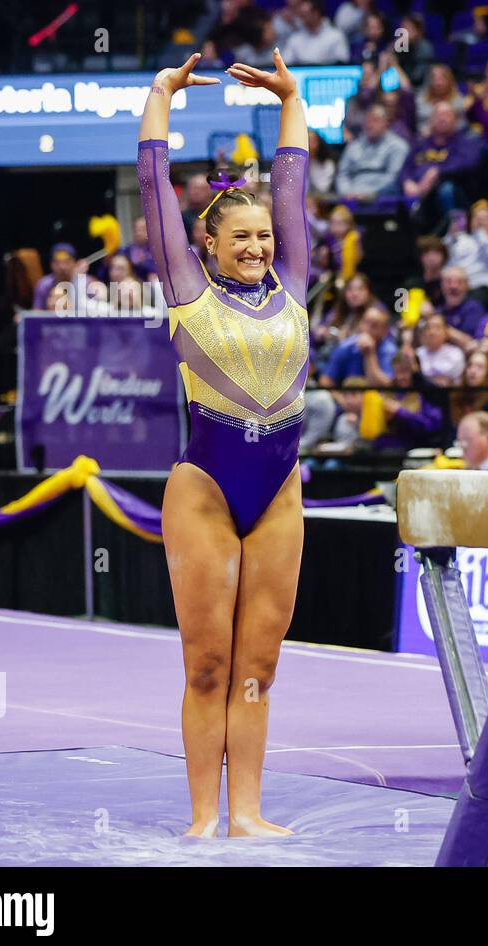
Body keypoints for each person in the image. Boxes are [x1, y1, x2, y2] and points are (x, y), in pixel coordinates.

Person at [138, 51, 309, 837]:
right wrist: (161, 96)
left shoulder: (295, 284)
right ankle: (203, 815)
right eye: (240, 237)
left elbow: (292, 181)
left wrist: (292, 99)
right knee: (207, 665)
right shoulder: (186, 289)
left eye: (265, 236)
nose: (258, 246)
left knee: (258, 671)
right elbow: (154, 190)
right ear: (208, 245)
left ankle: (249, 812)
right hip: (205, 485)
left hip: (279, 487)